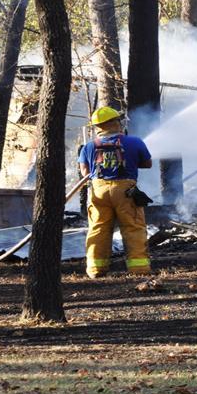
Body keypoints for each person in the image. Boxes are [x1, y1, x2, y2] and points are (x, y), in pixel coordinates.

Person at [78, 106, 153, 278]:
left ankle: (96, 269)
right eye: (118, 120)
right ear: (113, 123)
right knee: (132, 227)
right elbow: (148, 163)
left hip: (99, 193)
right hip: (125, 192)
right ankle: (139, 268)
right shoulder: (134, 142)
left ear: (98, 127)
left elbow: (85, 173)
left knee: (98, 229)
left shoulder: (88, 147)